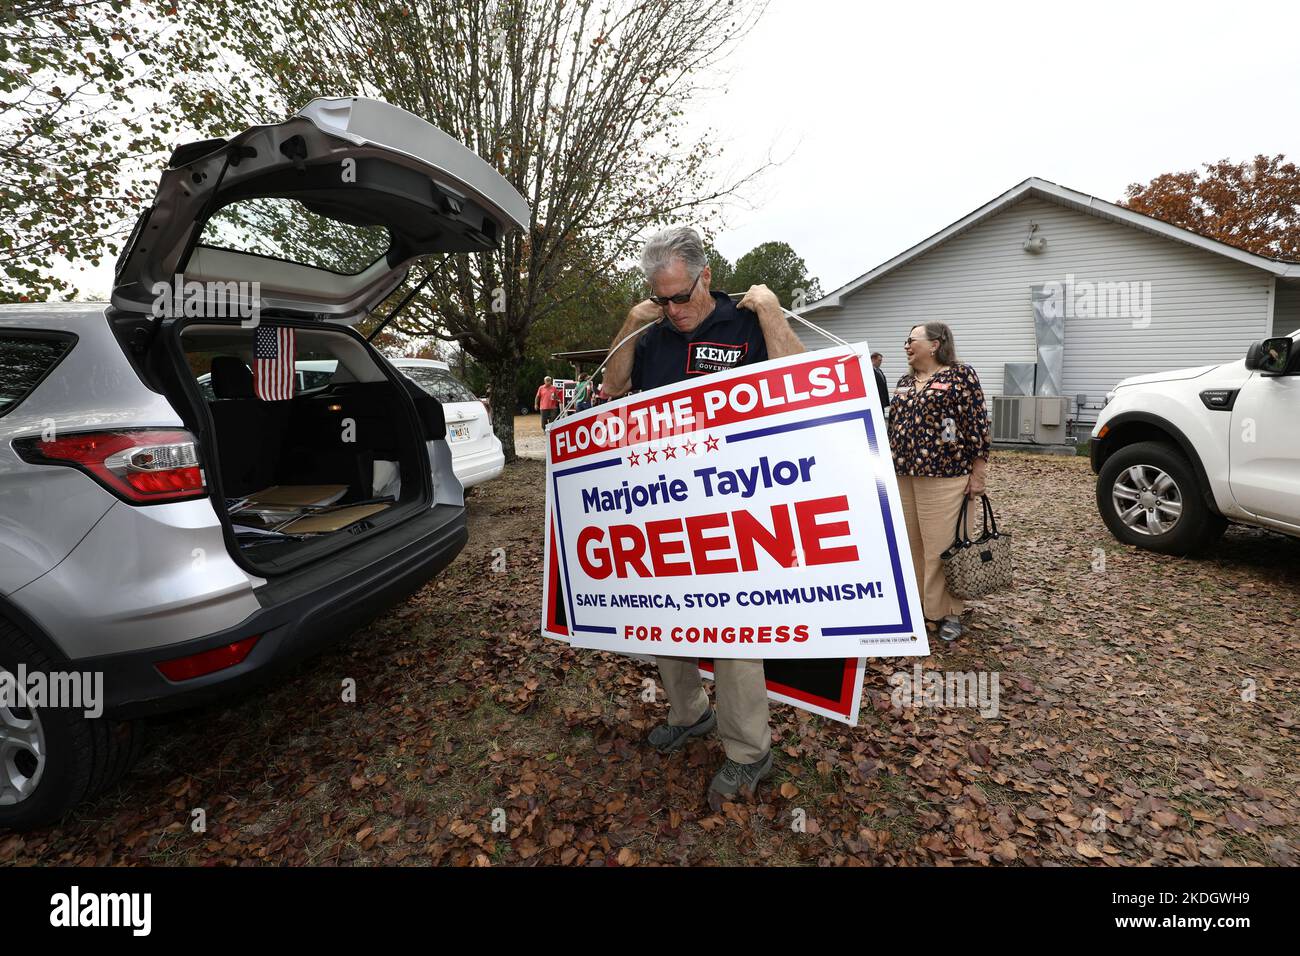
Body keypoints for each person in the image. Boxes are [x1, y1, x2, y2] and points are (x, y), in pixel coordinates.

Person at [603, 225, 806, 807]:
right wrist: (633, 323)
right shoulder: (653, 331)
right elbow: (611, 390)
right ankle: (690, 714)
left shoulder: (746, 320)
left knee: (734, 635)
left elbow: (806, 388)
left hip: (739, 514)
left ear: (706, 277)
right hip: (666, 512)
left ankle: (749, 751)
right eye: (659, 298)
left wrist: (770, 313)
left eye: (681, 296)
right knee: (667, 621)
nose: (673, 309)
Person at [887, 322, 991, 642]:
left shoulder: (960, 376)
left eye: (911, 340)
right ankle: (921, 606)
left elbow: (976, 425)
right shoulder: (904, 382)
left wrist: (978, 474)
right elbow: (893, 426)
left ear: (934, 344)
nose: (906, 346)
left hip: (946, 476)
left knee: (945, 547)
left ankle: (948, 612)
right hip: (905, 475)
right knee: (913, 545)